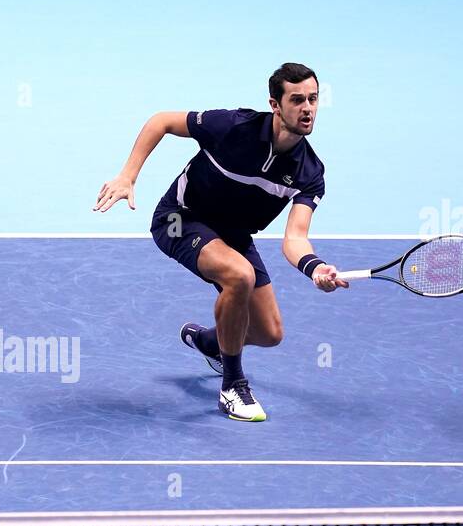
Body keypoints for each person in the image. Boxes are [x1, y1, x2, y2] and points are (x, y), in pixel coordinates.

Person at [95, 62, 347, 422]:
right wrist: (127, 176)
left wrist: (316, 267)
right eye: (297, 100)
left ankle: (210, 343)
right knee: (239, 276)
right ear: (276, 105)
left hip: (232, 235)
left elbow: (295, 238)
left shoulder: (310, 172)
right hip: (180, 219)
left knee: (269, 332)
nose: (307, 108)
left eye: (313, 99)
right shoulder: (232, 127)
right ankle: (232, 386)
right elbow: (161, 121)